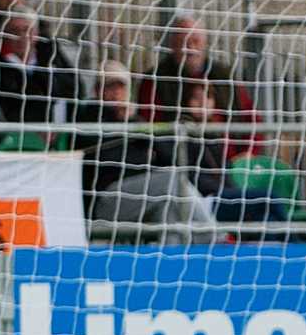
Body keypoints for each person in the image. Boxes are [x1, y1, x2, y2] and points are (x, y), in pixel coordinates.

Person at [75, 59, 216, 244]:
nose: (117, 93)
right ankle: (214, 237)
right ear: (97, 91)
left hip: (140, 197)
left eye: (121, 87)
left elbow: (167, 155)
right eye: (110, 87)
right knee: (172, 180)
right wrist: (141, 149)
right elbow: (110, 162)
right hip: (106, 201)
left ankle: (171, 264)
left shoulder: (134, 119)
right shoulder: (88, 118)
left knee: (169, 209)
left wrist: (134, 122)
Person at [0, 4, 78, 125]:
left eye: (27, 30)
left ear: (37, 33)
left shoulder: (52, 57)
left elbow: (75, 87)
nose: (22, 37)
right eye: (15, 31)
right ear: (5, 34)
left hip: (59, 130)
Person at [139, 16, 207, 121]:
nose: (190, 47)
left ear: (204, 43)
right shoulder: (155, 80)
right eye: (184, 42)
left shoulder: (224, 76)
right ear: (173, 45)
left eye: (196, 41)